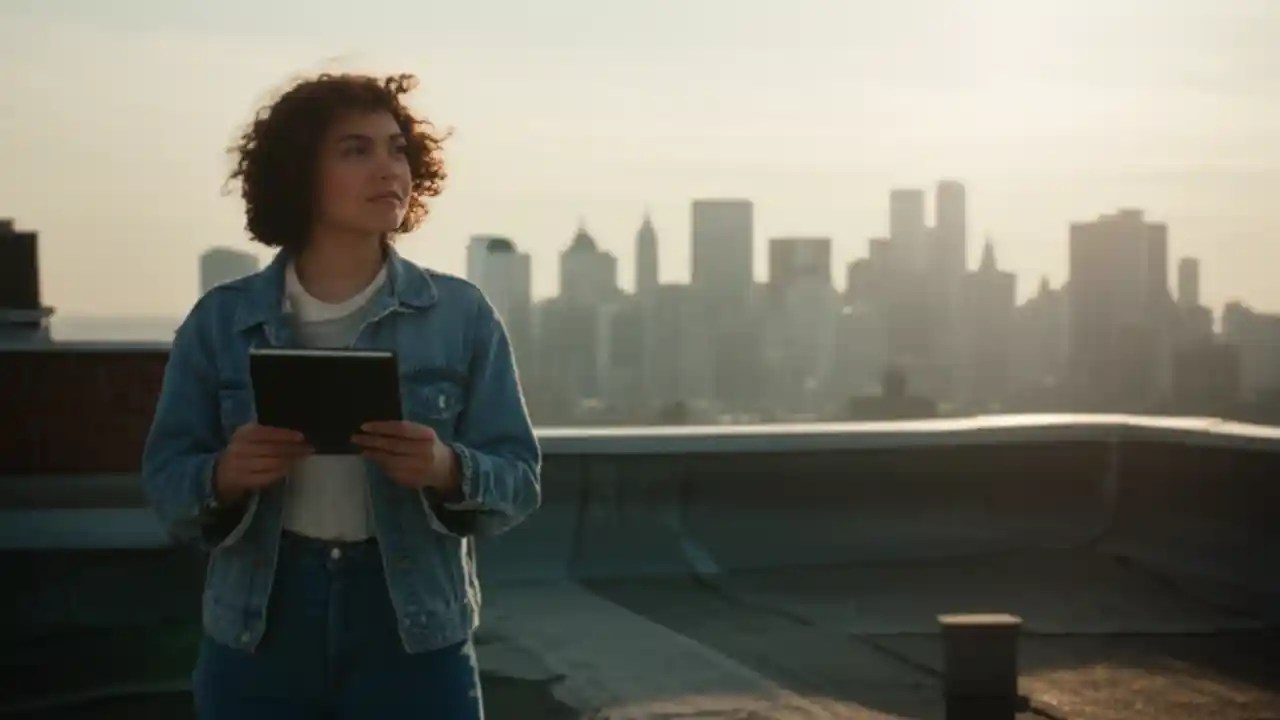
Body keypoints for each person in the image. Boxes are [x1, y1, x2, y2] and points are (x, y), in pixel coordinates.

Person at [141, 72, 541, 719]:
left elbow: (519, 479)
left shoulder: (460, 315)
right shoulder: (220, 321)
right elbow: (165, 482)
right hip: (260, 621)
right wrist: (224, 475)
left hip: (410, 622)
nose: (389, 168)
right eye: (356, 149)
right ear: (299, 173)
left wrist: (445, 469)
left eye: (398, 149)